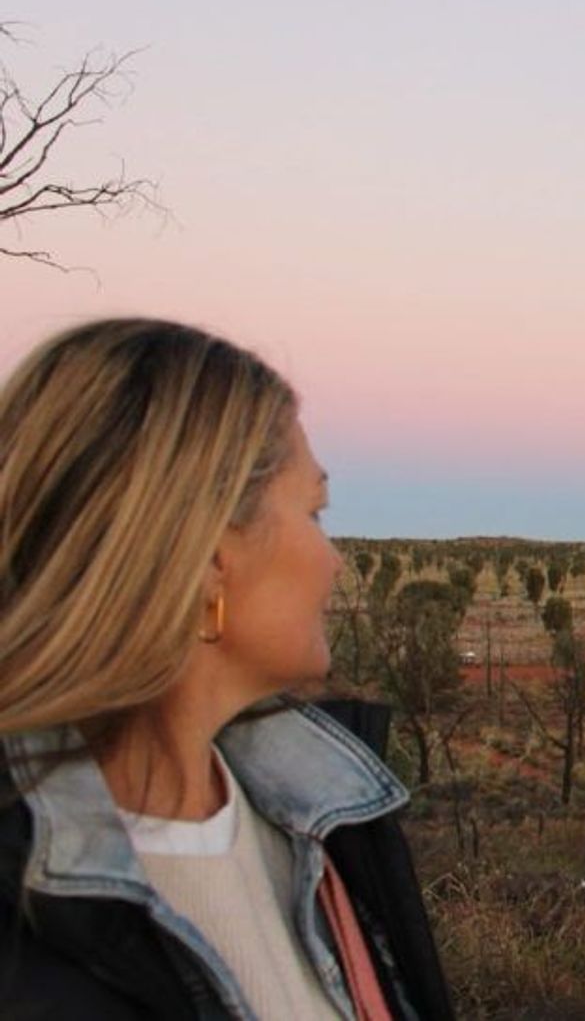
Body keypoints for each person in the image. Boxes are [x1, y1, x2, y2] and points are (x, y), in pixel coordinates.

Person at [0, 318, 452, 1020]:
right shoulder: (21, 924)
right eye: (315, 512)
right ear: (211, 555)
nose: (334, 561)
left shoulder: (327, 828)